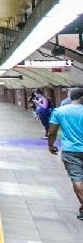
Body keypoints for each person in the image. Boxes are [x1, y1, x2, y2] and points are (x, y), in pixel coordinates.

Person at [48, 87, 83, 221]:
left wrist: (51, 145)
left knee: (77, 178)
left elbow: (52, 132)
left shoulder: (59, 111)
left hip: (71, 150)